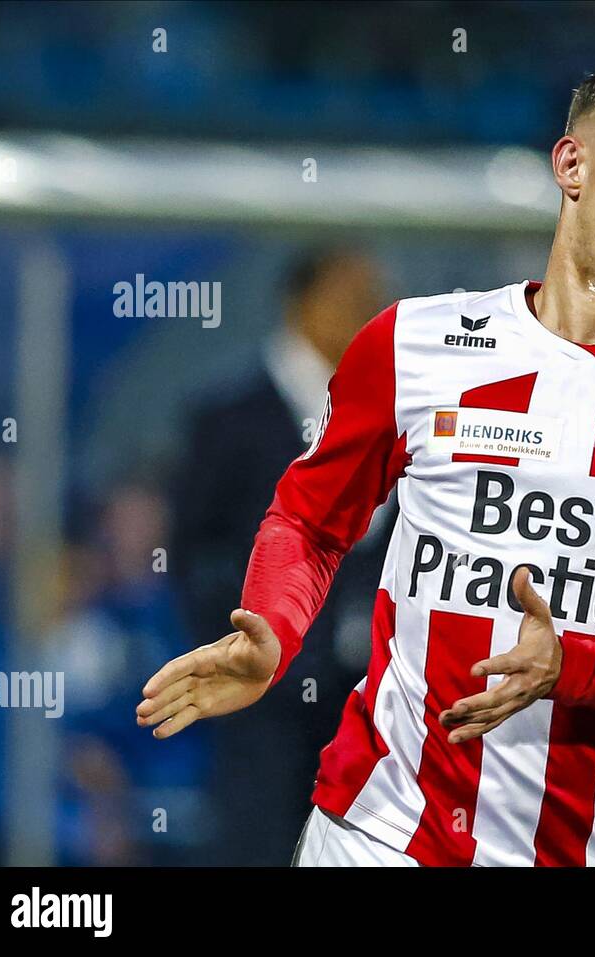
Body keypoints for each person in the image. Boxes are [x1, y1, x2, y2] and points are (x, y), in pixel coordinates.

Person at [138, 54, 595, 867]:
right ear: (573, 165)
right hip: (372, 834)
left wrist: (579, 663)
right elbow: (310, 520)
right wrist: (273, 631)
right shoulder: (414, 341)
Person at [168, 249, 390, 863]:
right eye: (349, 299)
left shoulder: (391, 415)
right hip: (261, 702)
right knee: (259, 845)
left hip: (363, 703)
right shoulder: (228, 421)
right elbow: (192, 556)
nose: (363, 316)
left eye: (371, 302)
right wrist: (240, 641)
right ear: (301, 303)